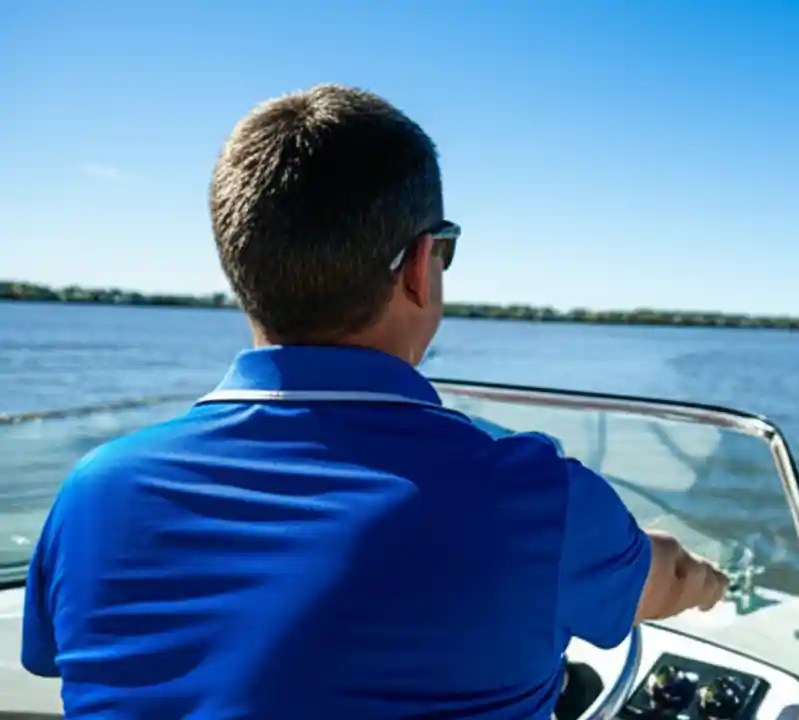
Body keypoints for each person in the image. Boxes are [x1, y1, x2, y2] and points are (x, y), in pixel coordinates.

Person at [21, 84, 728, 719]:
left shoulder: (91, 492)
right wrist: (704, 582)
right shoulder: (529, 495)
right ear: (421, 267)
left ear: (241, 271)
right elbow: (657, 582)